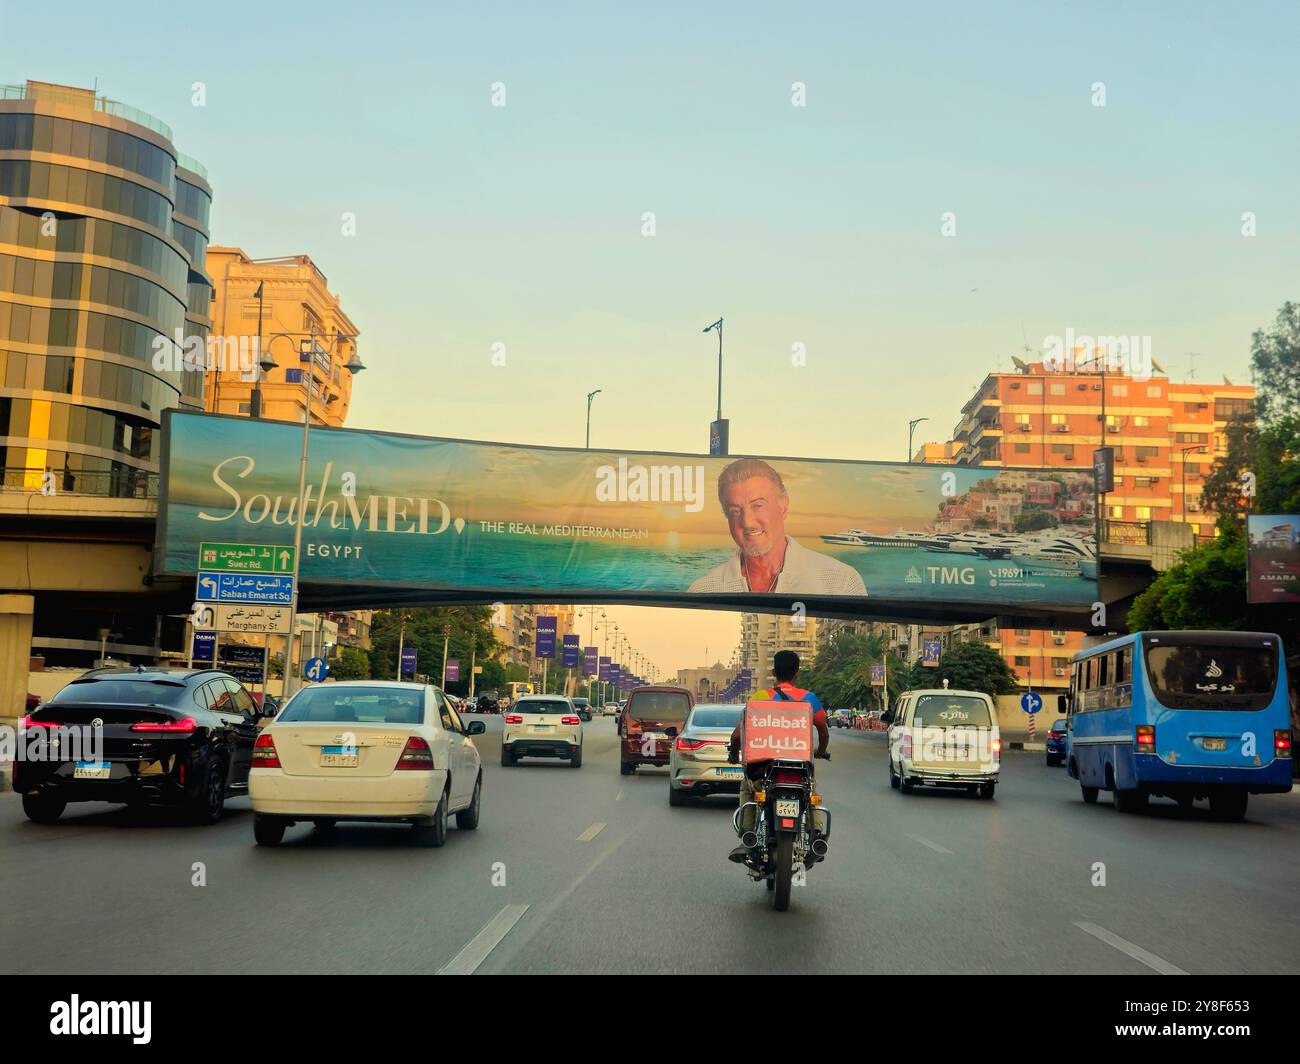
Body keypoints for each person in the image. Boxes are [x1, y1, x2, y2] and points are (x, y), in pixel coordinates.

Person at [688, 458, 867, 596]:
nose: (747, 522)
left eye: (757, 506)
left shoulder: (841, 582)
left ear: (783, 505)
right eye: (735, 511)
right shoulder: (703, 590)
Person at [727, 649, 830, 864]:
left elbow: (738, 733)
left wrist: (734, 753)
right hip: (799, 765)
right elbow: (823, 730)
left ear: (773, 672)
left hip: (765, 766)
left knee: (748, 788)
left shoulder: (760, 697)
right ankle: (817, 835)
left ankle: (747, 836)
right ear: (797, 674)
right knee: (811, 790)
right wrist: (820, 752)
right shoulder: (809, 698)